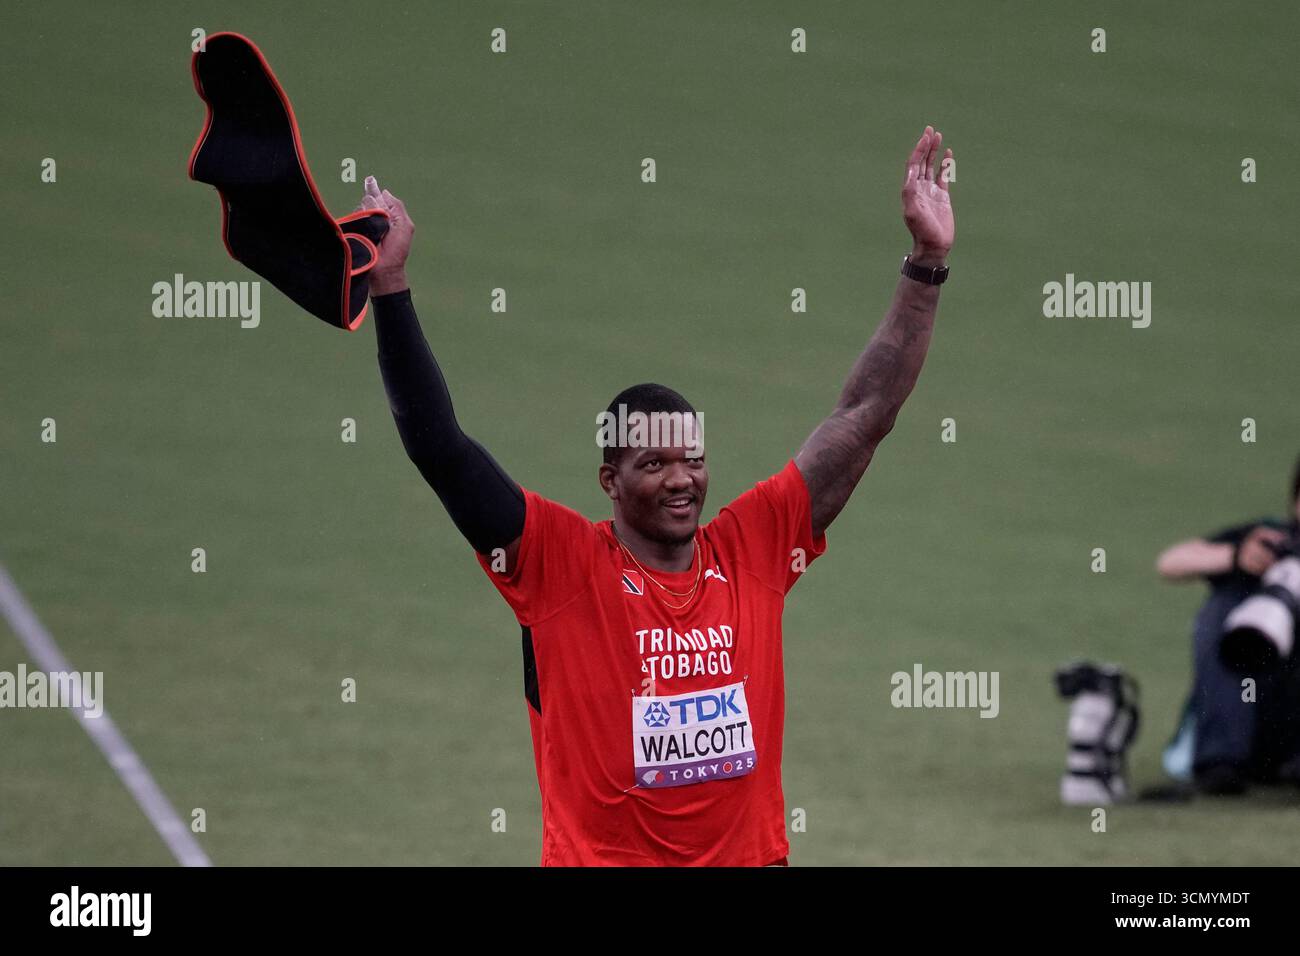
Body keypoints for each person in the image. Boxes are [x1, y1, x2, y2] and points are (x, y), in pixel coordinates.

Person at [359, 127, 954, 865]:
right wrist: (389, 288)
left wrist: (926, 265)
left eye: (694, 458)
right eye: (655, 463)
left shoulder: (755, 546)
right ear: (610, 480)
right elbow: (439, 446)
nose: (683, 479)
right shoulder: (560, 564)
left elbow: (864, 417)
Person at [1155, 456, 1300, 795]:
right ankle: (1222, 758)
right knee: (1226, 605)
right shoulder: (1269, 538)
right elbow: (1170, 562)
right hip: (1254, 706)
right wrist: (1236, 557)